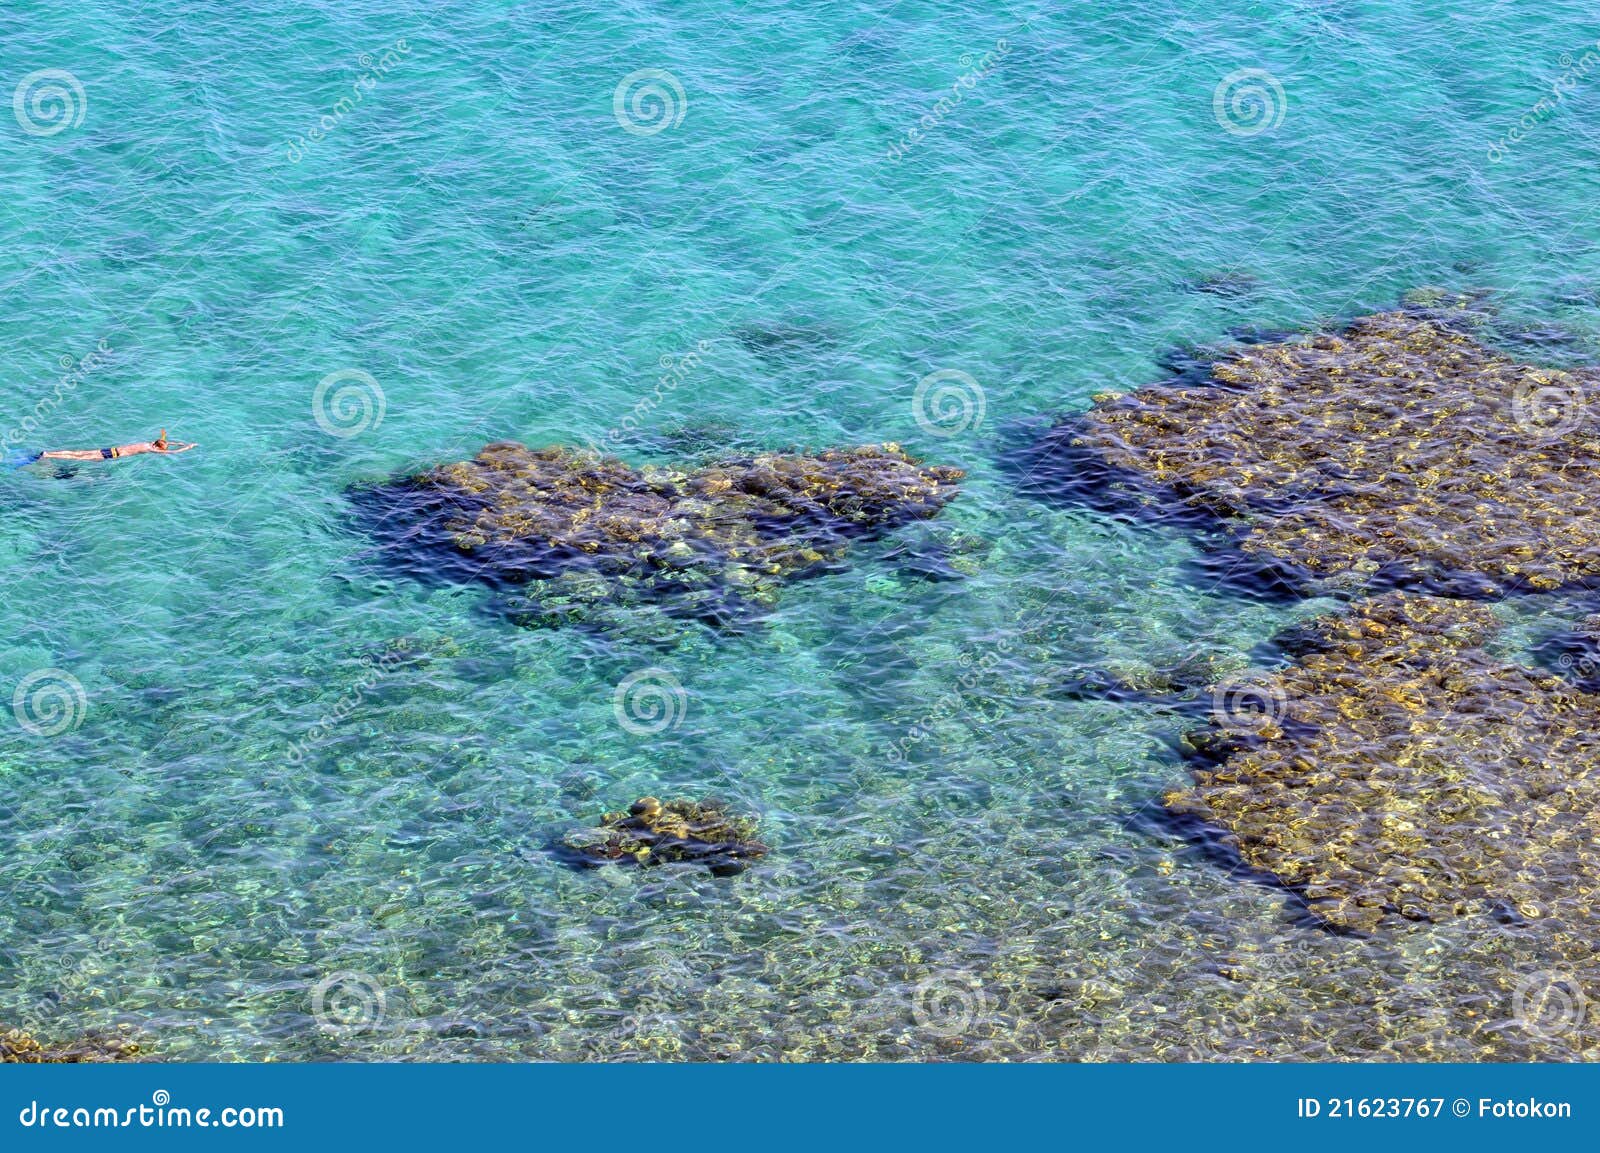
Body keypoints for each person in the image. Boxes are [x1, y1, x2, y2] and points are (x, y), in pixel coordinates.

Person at [34, 430, 197, 462]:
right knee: (79, 459)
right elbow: (173, 453)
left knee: (78, 452)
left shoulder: (148, 443)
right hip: (112, 456)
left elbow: (165, 442)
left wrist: (179, 442)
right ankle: (48, 456)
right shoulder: (150, 449)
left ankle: (49, 452)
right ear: (158, 447)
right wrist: (187, 447)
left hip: (110, 449)